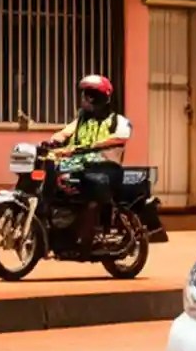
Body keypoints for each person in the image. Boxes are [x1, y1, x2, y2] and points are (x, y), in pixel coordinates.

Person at [47, 74, 133, 258]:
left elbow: (122, 137)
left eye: (89, 94)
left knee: (91, 187)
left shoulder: (117, 120)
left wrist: (92, 146)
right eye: (84, 94)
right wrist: (53, 141)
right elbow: (64, 133)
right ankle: (59, 232)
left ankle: (88, 239)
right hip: (79, 164)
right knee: (52, 181)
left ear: (101, 97)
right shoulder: (81, 121)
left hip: (105, 167)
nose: (85, 99)